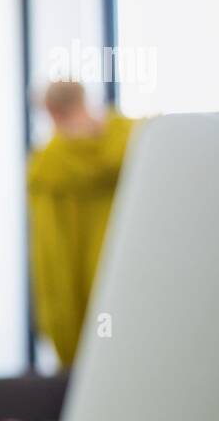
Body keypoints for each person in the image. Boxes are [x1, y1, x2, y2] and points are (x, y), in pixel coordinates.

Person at [28, 80, 137, 368]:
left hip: (81, 316)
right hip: (136, 289)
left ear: (51, 112)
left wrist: (60, 330)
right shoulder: (137, 143)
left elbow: (51, 260)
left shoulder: (48, 169)